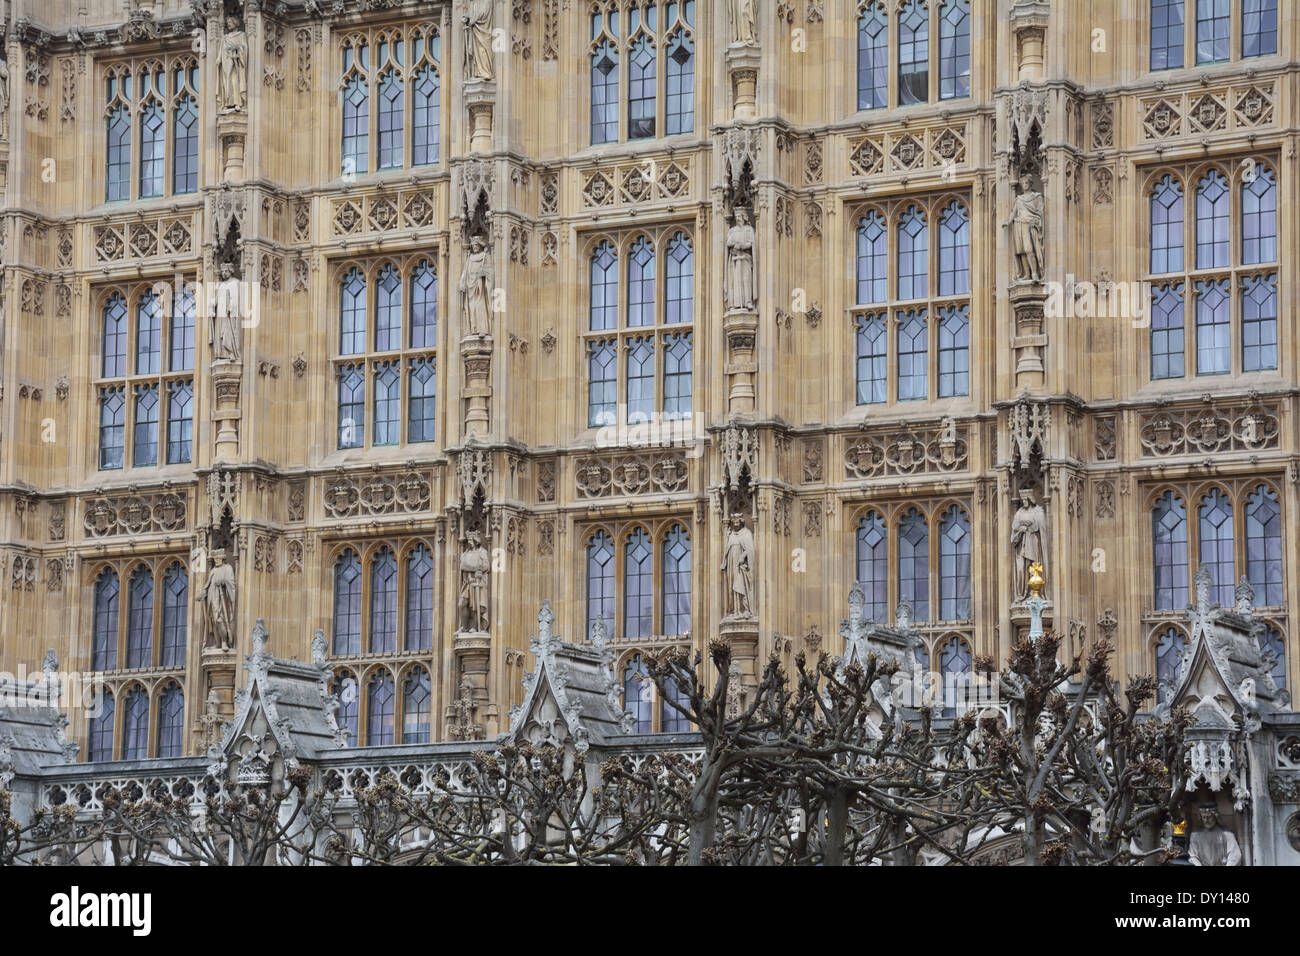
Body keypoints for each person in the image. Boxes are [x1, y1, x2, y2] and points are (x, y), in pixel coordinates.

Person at [722, 513, 755, 617]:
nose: (735, 524)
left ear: (741, 523)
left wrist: (743, 557)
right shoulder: (731, 535)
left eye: (737, 522)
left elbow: (749, 549)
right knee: (732, 586)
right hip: (731, 564)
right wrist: (725, 562)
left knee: (740, 586)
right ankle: (734, 611)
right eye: (734, 522)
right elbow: (727, 549)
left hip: (740, 565)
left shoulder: (746, 533)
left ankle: (746, 609)